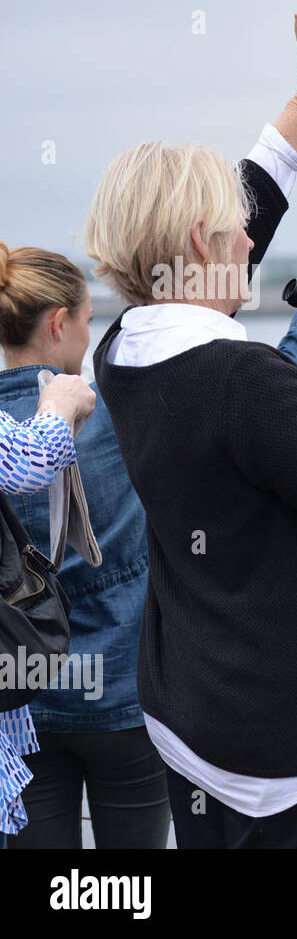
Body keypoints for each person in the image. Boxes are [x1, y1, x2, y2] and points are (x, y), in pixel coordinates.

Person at [85, 4, 297, 849]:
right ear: (203, 239)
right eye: (236, 229)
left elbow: (235, 225)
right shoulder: (241, 378)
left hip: (192, 710)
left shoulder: (122, 348)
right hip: (283, 748)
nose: (251, 238)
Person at [0, 193, 297, 849]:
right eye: (84, 319)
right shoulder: (116, 409)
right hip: (122, 697)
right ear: (58, 324)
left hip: (16, 703)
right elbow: (271, 396)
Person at [0, 351, 96, 848]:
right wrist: (61, 399)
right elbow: (25, 464)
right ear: (60, 323)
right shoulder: (112, 411)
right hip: (109, 695)